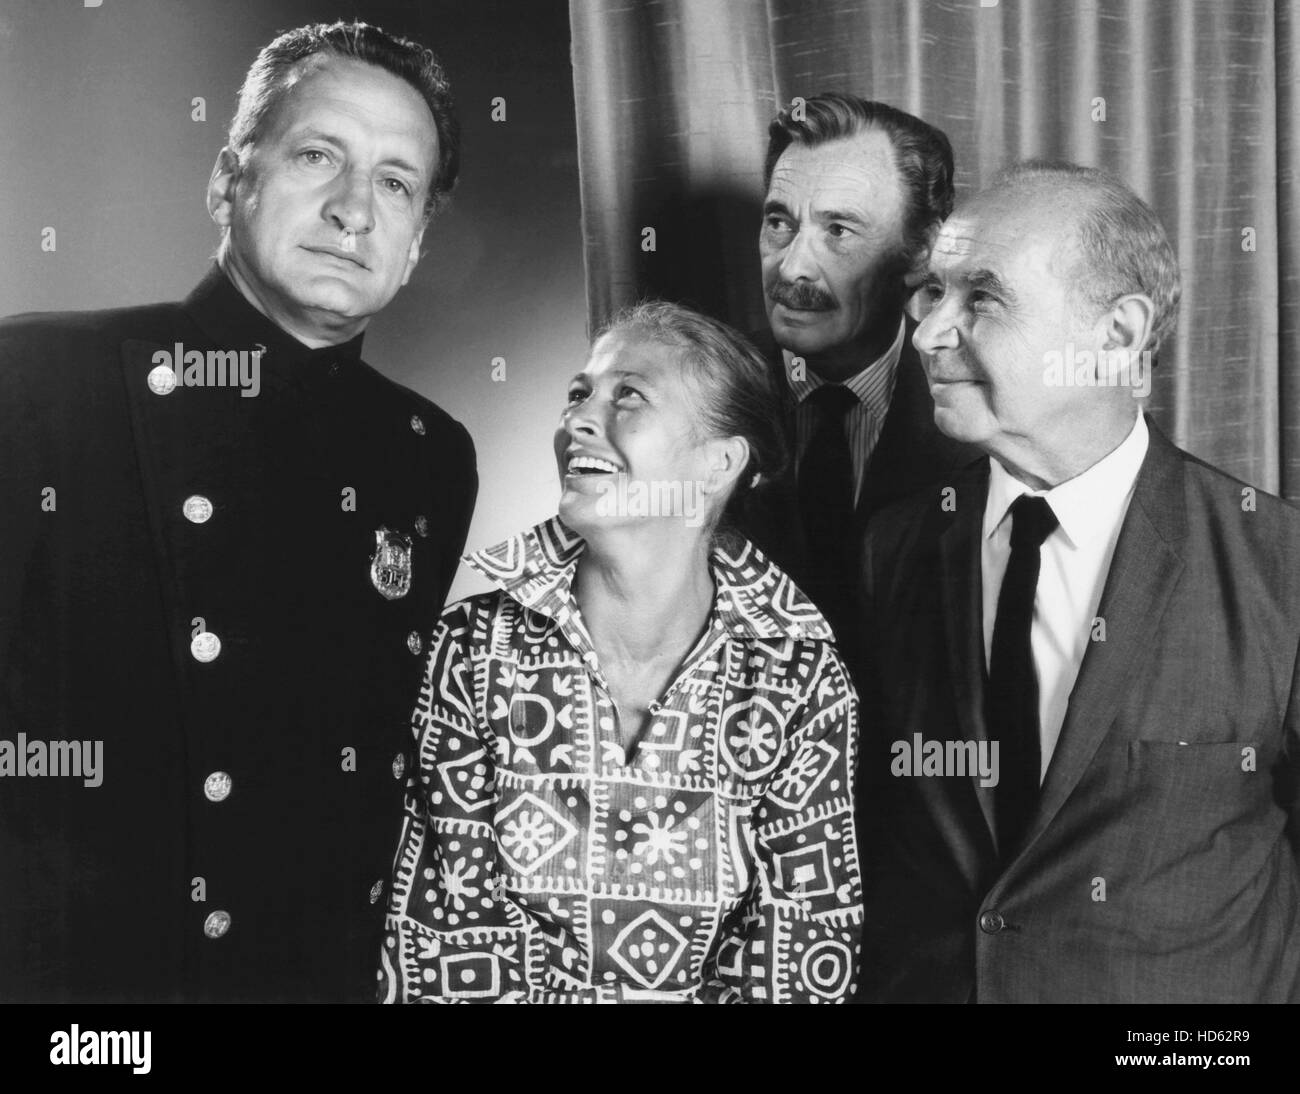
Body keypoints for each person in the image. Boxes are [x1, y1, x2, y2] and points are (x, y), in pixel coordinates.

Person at [0, 21, 477, 1002]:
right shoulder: (41, 379)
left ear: (420, 235)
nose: (354, 209)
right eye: (318, 155)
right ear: (229, 178)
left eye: (395, 182)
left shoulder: (428, 456)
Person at [855, 160, 1300, 1002]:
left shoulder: (1278, 566)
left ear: (1119, 335)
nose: (927, 333)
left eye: (980, 298)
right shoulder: (895, 548)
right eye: (933, 293)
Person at [379, 302, 862, 1003]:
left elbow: (802, 957)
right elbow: (447, 940)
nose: (579, 419)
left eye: (627, 396)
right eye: (579, 394)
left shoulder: (802, 679)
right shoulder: (473, 650)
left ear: (719, 463)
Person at [742, 93, 977, 655]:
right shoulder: (696, 400)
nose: (793, 266)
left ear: (923, 251)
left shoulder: (985, 425)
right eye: (779, 222)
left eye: (839, 231)